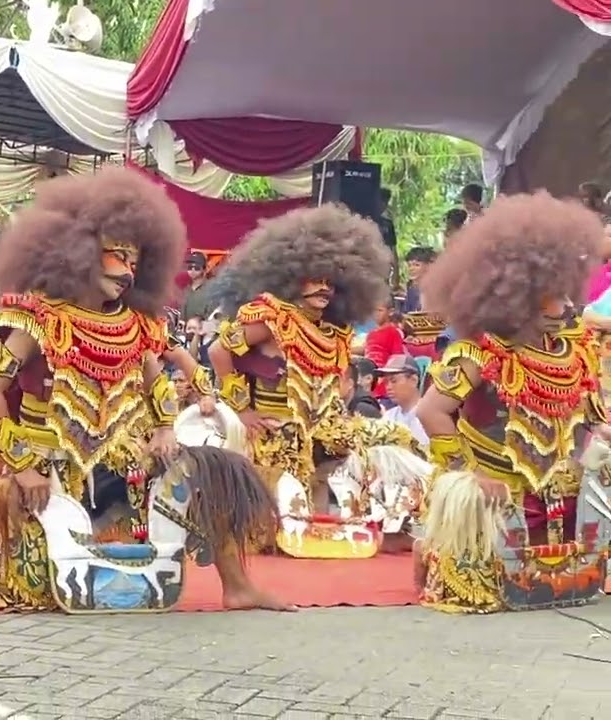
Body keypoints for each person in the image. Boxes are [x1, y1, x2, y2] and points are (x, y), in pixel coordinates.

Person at [0, 166, 289, 612]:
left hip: (125, 460)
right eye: (116, 257)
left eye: (134, 261)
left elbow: (156, 385)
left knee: (218, 471)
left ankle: (238, 585)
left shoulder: (136, 325)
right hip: (50, 462)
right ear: (80, 256)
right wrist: (21, 468)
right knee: (42, 589)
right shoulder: (39, 319)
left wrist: (166, 428)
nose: (127, 271)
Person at [415, 192, 606, 613]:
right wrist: (470, 475)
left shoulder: (577, 352)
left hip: (560, 495)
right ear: (519, 296)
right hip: (493, 492)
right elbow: (430, 412)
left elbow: (593, 419)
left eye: (567, 293)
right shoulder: (480, 353)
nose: (569, 306)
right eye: (555, 295)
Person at [208, 204, 396, 515]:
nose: (324, 288)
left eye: (330, 282)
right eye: (315, 279)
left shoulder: (334, 333)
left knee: (393, 442)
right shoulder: (273, 319)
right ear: (292, 278)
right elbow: (218, 351)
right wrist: (243, 411)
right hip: (274, 435)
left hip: (321, 434)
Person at [376, 355, 428, 448]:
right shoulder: (389, 416)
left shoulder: (429, 414)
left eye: (394, 381)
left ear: (414, 380)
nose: (388, 387)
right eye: (386, 382)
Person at [180, 250, 214, 320]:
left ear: (205, 269)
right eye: (190, 267)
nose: (192, 270)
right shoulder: (186, 291)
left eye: (196, 267)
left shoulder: (211, 289)